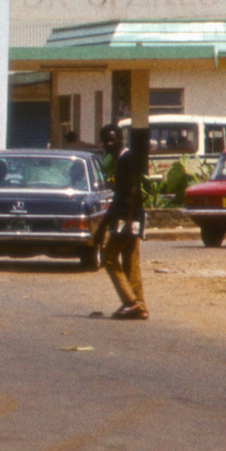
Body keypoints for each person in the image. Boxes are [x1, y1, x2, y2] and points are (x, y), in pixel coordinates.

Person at [96, 123, 149, 319]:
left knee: (109, 257)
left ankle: (130, 302)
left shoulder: (125, 160)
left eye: (112, 140)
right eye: (105, 141)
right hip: (132, 217)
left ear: (121, 140)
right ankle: (140, 306)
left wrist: (102, 227)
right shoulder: (123, 159)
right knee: (130, 262)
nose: (108, 145)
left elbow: (127, 195)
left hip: (126, 218)